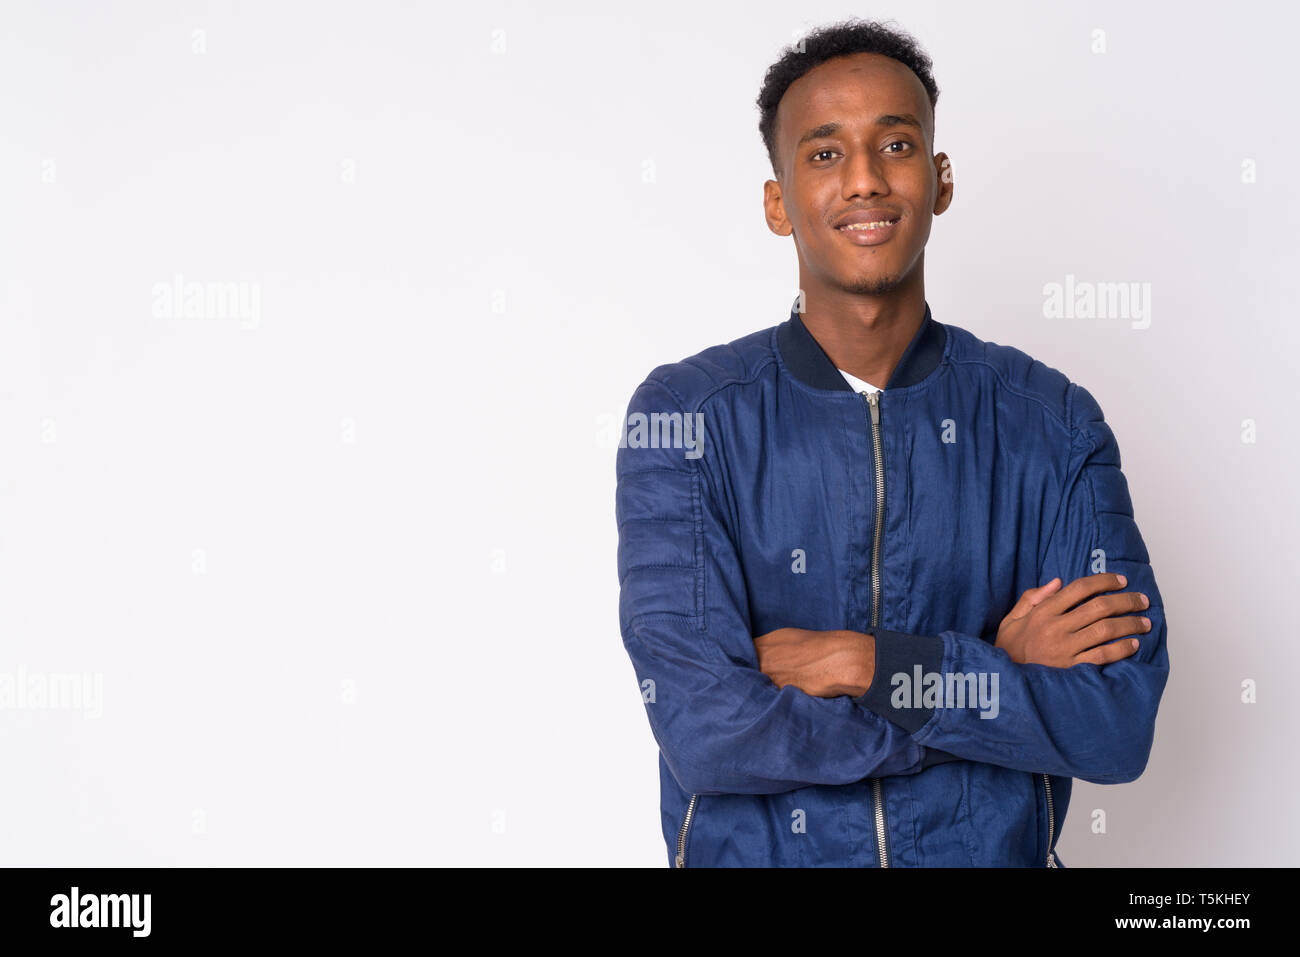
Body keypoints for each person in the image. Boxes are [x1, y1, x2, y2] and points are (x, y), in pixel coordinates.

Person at [613, 18, 1169, 867]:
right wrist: (980, 679)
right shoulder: (687, 419)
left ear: (940, 180)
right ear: (778, 201)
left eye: (897, 144)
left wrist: (861, 662)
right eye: (826, 154)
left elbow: (1116, 724)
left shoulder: (1053, 423)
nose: (865, 180)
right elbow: (709, 733)